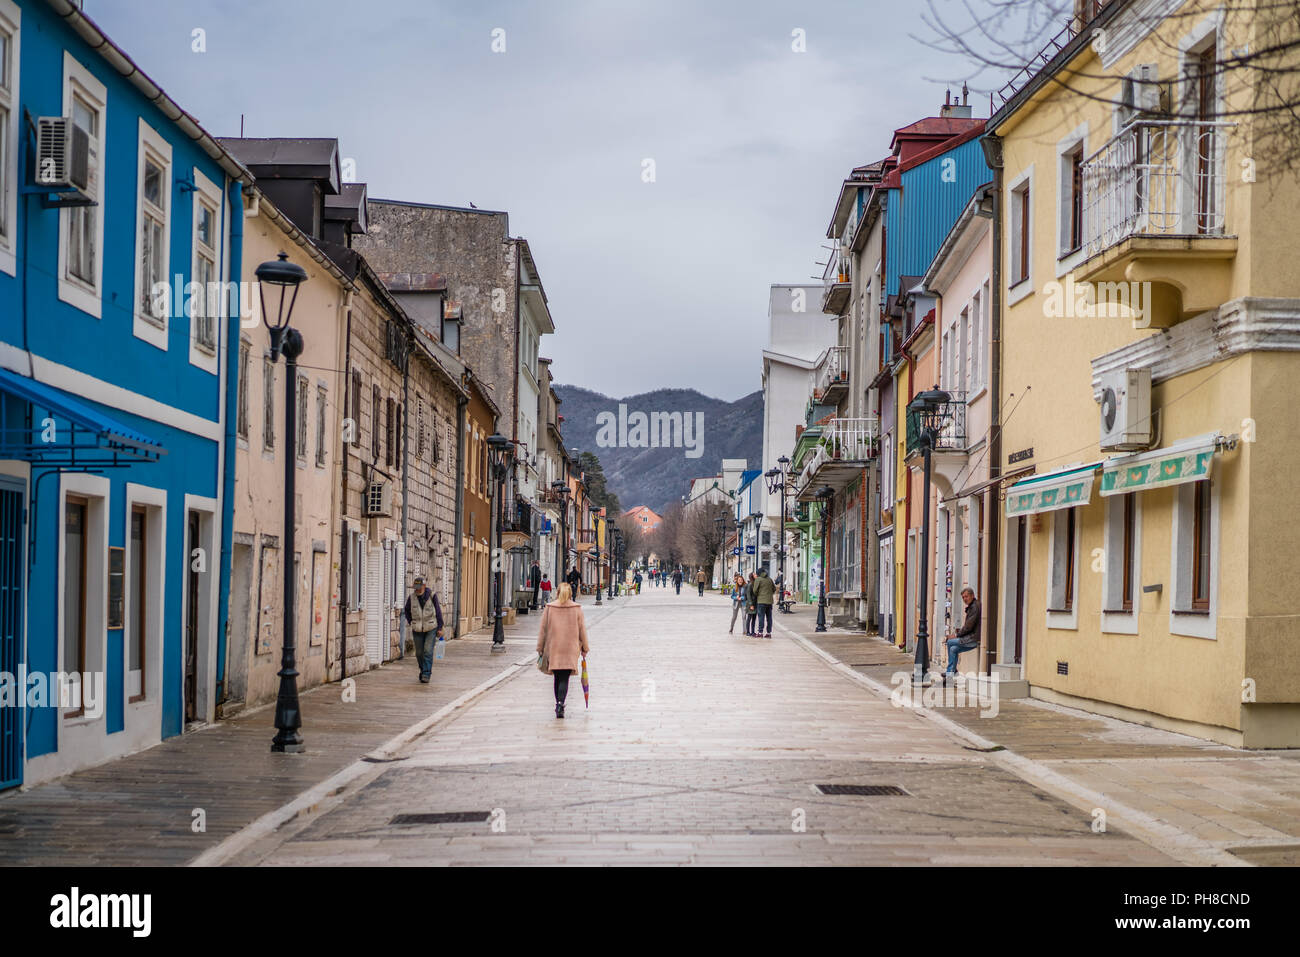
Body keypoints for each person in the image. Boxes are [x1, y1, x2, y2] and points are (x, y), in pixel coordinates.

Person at [536, 582, 590, 719]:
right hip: (570, 649)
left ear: (557, 593)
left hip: (554, 648)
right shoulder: (577, 609)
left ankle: (558, 703)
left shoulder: (549, 608)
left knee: (557, 677)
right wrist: (585, 648)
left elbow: (543, 630)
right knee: (564, 677)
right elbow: (582, 630)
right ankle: (560, 703)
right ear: (571, 594)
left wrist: (540, 648)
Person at [403, 575, 443, 683]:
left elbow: (438, 612)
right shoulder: (411, 597)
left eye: (419, 587)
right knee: (419, 653)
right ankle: (422, 669)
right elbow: (406, 610)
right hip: (417, 628)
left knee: (428, 651)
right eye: (415, 587)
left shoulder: (432, 596)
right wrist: (411, 621)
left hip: (431, 627)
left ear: (424, 586)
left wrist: (440, 627)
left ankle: (426, 673)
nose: (417, 589)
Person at [944, 587, 981, 680]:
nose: (965, 599)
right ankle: (952, 671)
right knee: (953, 649)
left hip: (973, 638)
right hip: (970, 637)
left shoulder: (975, 607)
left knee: (950, 642)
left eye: (966, 596)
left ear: (972, 596)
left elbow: (968, 627)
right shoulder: (972, 606)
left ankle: (950, 672)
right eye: (963, 597)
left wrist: (956, 635)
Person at [752, 567, 775, 637]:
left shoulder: (758, 579)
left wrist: (759, 595)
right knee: (769, 617)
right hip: (769, 601)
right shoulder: (770, 579)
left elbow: (755, 590)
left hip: (761, 601)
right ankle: (768, 633)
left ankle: (760, 632)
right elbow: (774, 589)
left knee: (761, 617)